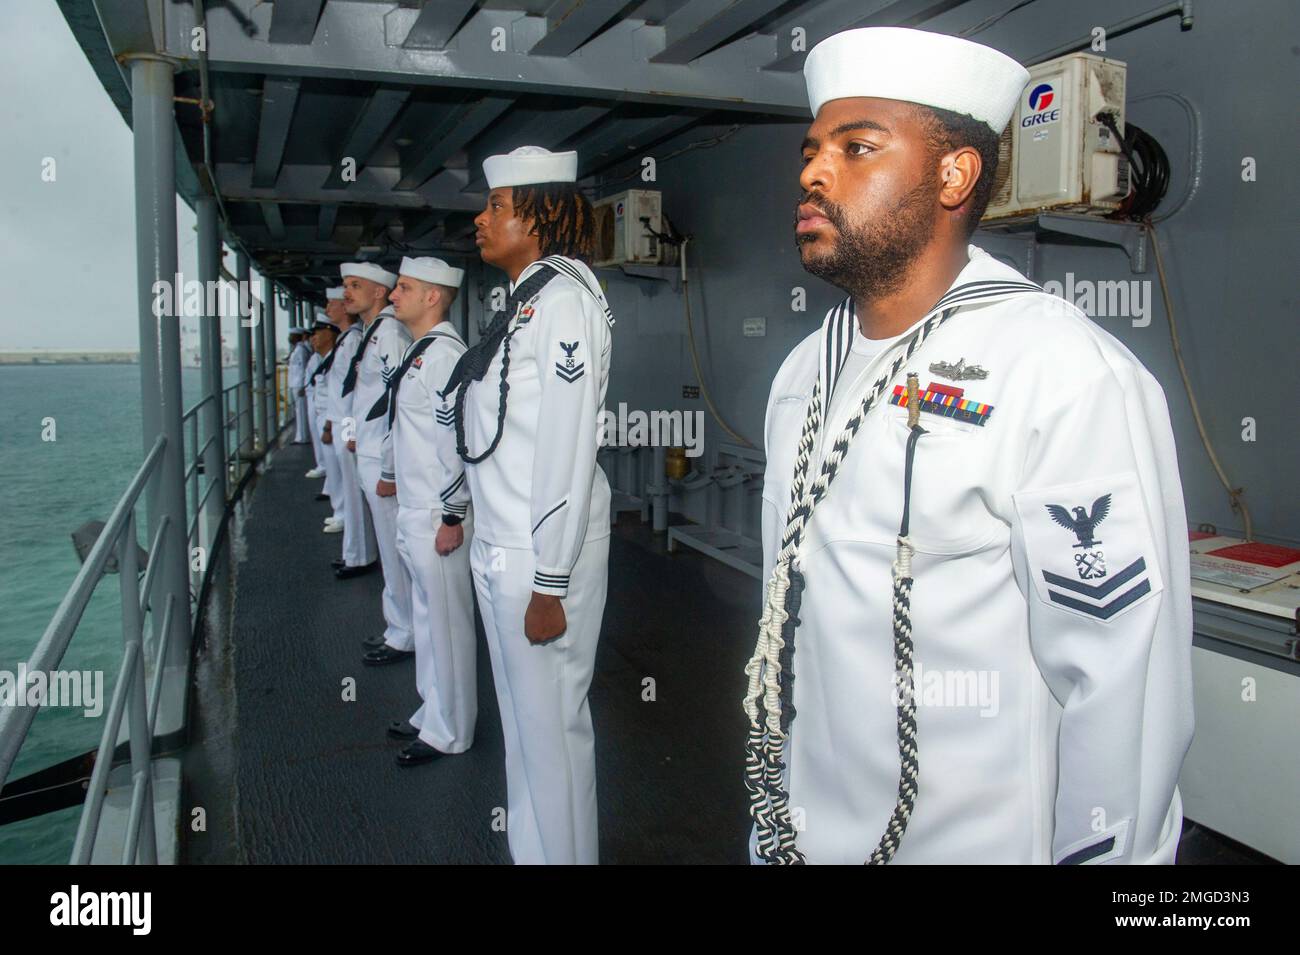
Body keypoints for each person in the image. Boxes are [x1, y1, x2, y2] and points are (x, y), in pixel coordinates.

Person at [745, 26, 1194, 865]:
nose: (813, 172)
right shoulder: (803, 372)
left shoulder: (1064, 372)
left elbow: (1121, 682)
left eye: (858, 147)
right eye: (812, 150)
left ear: (955, 174)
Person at [441, 145, 614, 864]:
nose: (481, 221)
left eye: (497, 208)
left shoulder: (565, 301)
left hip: (542, 556)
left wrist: (550, 581)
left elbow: (568, 448)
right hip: (501, 544)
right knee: (523, 725)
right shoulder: (526, 300)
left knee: (554, 737)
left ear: (539, 217)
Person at [373, 256, 475, 766]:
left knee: (449, 626)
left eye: (404, 288)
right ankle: (431, 709)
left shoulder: (443, 358)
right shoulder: (422, 352)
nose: (393, 296)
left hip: (438, 515)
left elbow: (454, 441)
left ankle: (451, 729)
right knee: (428, 618)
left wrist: (452, 517)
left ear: (433, 296)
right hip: (415, 509)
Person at [338, 262, 416, 661]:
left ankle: (405, 633)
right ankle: (398, 624)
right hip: (368, 453)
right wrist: (354, 433)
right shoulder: (373, 334)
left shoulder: (389, 335)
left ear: (380, 293)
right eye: (346, 285)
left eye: (356, 286)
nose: (346, 292)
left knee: (394, 548)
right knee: (389, 549)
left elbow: (396, 405)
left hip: (383, 462)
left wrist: (388, 467)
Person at [324, 278, 378, 575]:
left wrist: (350, 431)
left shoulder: (355, 339)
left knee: (355, 495)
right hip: (343, 421)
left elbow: (359, 391)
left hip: (349, 424)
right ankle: (354, 550)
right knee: (350, 488)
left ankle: (358, 555)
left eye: (334, 303)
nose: (331, 308)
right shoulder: (348, 339)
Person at [306, 317, 343, 526]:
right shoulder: (326, 358)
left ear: (330, 333)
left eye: (317, 333)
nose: (313, 338)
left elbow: (340, 397)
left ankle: (342, 514)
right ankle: (339, 511)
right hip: (326, 416)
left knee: (340, 473)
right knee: (335, 470)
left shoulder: (335, 357)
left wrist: (328, 426)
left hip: (335, 421)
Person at [288, 327, 312, 445]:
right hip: (295, 383)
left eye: (291, 335)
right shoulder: (297, 349)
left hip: (299, 384)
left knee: (301, 411)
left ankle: (302, 437)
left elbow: (303, 368)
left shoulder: (301, 350)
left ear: (297, 337)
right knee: (298, 411)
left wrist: (303, 386)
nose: (289, 338)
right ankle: (301, 435)